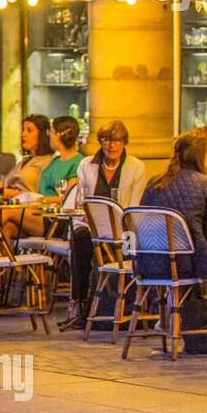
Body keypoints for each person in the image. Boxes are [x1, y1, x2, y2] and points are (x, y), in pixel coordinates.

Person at [137, 131, 207, 353]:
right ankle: (206, 337)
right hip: (184, 266)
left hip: (148, 262)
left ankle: (169, 323)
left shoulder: (153, 182)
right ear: (202, 157)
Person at [67, 120, 147, 328]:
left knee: (129, 244)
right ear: (100, 142)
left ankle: (125, 304)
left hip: (125, 228)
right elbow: (82, 199)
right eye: (107, 140)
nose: (112, 146)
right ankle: (79, 302)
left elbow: (134, 205)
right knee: (79, 239)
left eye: (117, 141)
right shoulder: (87, 165)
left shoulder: (136, 167)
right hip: (93, 225)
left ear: (124, 143)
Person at [6, 116, 82, 241]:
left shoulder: (77, 163)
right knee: (7, 227)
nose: (49, 137)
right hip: (39, 213)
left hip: (56, 219)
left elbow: (68, 200)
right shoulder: (55, 161)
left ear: (60, 135)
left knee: (6, 213)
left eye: (51, 132)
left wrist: (38, 199)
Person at [2, 114, 55, 196]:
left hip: (28, 206)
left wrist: (5, 192)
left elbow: (37, 195)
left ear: (42, 135)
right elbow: (3, 184)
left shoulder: (47, 163)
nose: (23, 134)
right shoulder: (24, 161)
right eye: (23, 130)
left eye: (29, 131)